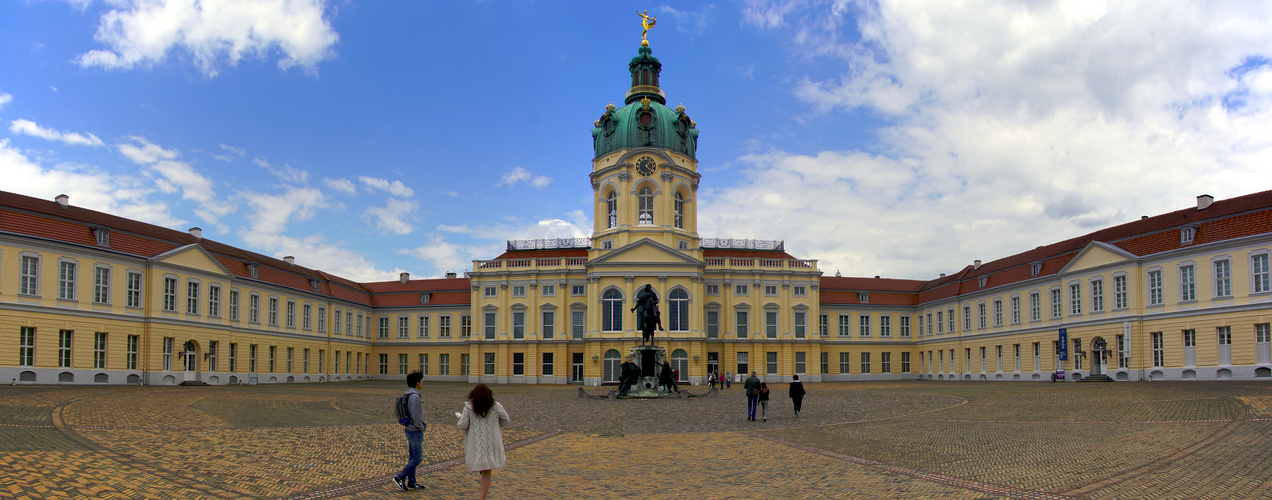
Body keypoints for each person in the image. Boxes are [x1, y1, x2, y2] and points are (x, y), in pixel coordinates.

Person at [457, 384, 510, 500]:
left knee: (484, 469)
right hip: (490, 444)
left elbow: (462, 426)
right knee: (486, 472)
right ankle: (482, 497)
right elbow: (506, 419)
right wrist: (495, 426)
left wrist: (461, 419)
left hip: (476, 444)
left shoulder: (469, 407)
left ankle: (482, 498)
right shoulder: (495, 406)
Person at [392, 371, 427, 491]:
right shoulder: (415, 397)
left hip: (409, 429)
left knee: (412, 457)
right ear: (417, 383)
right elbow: (416, 416)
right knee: (417, 458)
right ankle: (400, 477)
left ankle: (412, 482)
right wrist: (421, 428)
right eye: (421, 381)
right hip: (415, 430)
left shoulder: (408, 394)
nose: (422, 383)